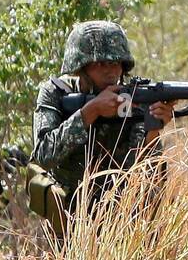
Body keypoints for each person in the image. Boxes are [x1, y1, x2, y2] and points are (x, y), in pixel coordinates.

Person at [29, 21, 173, 231]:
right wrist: (91, 112)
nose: (110, 72)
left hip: (121, 220)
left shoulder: (133, 98)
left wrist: (154, 129)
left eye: (115, 63)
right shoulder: (57, 93)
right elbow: (43, 155)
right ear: (80, 68)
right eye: (100, 64)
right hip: (69, 218)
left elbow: (146, 176)